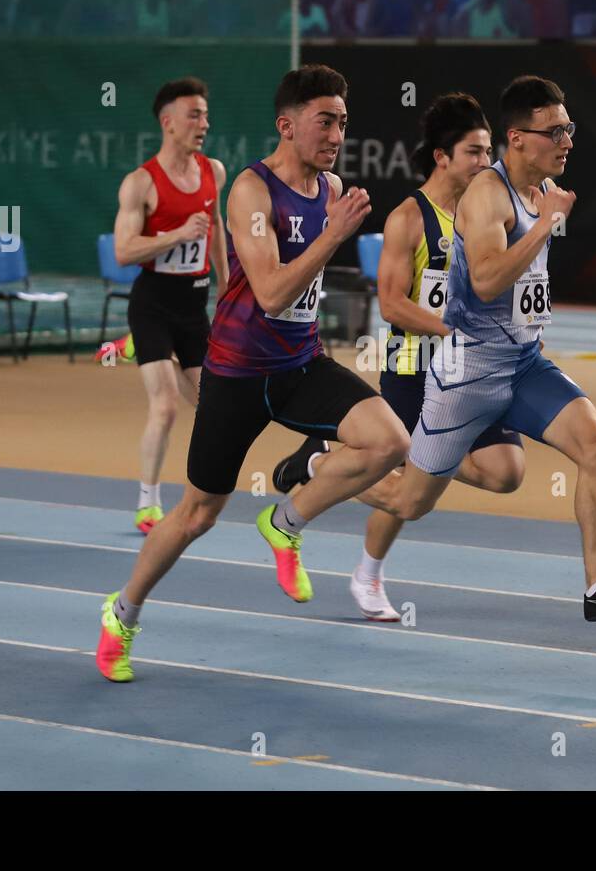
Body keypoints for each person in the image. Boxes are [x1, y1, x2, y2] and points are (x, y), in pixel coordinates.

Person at [96, 65, 411, 682]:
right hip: (237, 374)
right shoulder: (250, 190)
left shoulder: (331, 188)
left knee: (390, 440)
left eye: (343, 122)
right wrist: (334, 235)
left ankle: (285, 519)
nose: (337, 134)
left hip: (299, 363)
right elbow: (268, 292)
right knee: (196, 514)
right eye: (325, 120)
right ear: (286, 124)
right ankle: (123, 612)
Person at [322, 76, 596, 623]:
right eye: (556, 130)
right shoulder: (470, 201)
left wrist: (531, 320)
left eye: (569, 128)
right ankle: (333, 487)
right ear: (519, 137)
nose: (568, 140)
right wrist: (546, 228)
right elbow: (480, 283)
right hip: (454, 371)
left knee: (590, 448)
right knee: (411, 500)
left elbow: (521, 285)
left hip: (520, 364)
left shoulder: (539, 193)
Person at [273, 93, 523, 621]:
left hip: (475, 372)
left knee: (506, 472)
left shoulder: (490, 212)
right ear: (442, 157)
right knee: (412, 499)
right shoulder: (409, 218)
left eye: (489, 152)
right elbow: (391, 304)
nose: (487, 163)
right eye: (475, 153)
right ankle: (366, 571)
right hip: (416, 373)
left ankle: (326, 458)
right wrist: (454, 330)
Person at [100, 78, 229, 534]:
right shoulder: (141, 183)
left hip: (193, 310)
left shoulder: (214, 171)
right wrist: (175, 234)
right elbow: (123, 251)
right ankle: (148, 504)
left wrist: (228, 288)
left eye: (206, 115)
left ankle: (141, 348)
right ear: (167, 122)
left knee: (214, 404)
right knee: (166, 406)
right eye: (194, 115)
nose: (204, 124)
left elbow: (216, 230)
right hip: (153, 305)